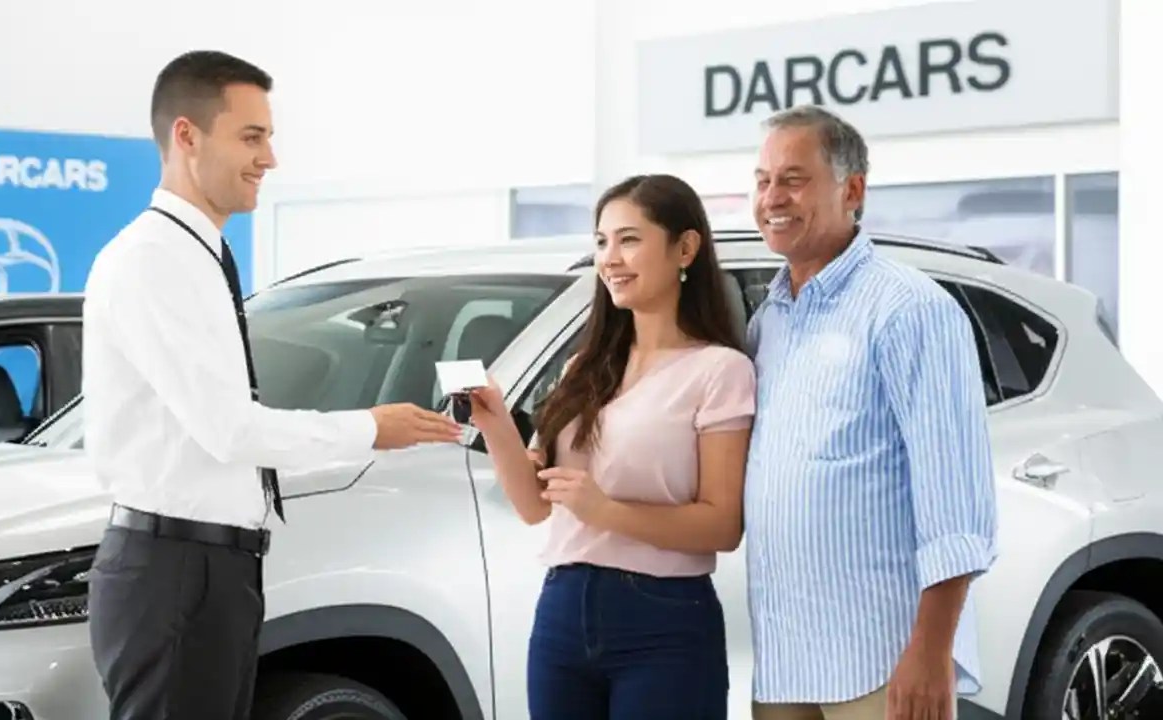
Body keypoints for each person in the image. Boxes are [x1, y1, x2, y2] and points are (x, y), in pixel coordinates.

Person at [81, 49, 462, 720]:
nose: (270, 158)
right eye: (252, 136)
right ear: (187, 137)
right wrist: (374, 427)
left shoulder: (200, 256)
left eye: (270, 137)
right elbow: (229, 428)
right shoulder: (153, 261)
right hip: (177, 567)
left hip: (213, 567)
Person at [742, 104, 999, 720]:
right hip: (785, 663)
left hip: (882, 659)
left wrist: (932, 651)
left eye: (794, 179)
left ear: (851, 190)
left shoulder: (910, 309)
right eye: (762, 180)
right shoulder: (768, 322)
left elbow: (956, 502)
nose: (772, 197)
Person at [468, 173, 756, 719]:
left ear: (685, 247)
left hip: (664, 622)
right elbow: (533, 506)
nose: (610, 258)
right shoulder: (584, 368)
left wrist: (605, 510)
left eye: (628, 239)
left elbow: (722, 526)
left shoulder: (720, 371)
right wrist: (497, 424)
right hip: (561, 613)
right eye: (601, 241)